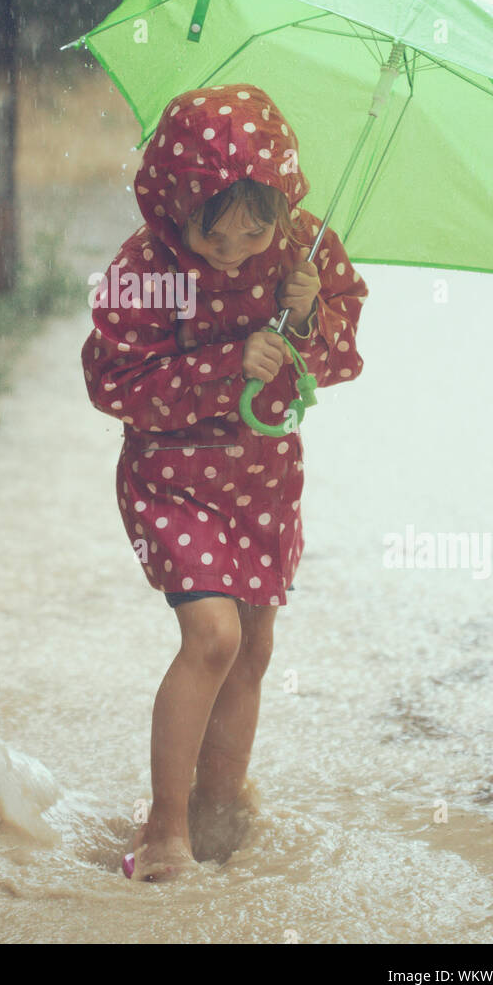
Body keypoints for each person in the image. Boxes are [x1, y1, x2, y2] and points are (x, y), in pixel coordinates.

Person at [81, 83, 368, 881]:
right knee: (213, 637)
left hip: (263, 476)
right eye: (217, 235)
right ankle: (165, 832)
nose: (238, 250)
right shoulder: (146, 266)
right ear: (178, 204)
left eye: (255, 229)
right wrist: (223, 365)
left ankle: (218, 811)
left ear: (282, 205)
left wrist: (309, 320)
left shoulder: (303, 250)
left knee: (254, 650)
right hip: (170, 475)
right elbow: (112, 382)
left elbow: (340, 359)